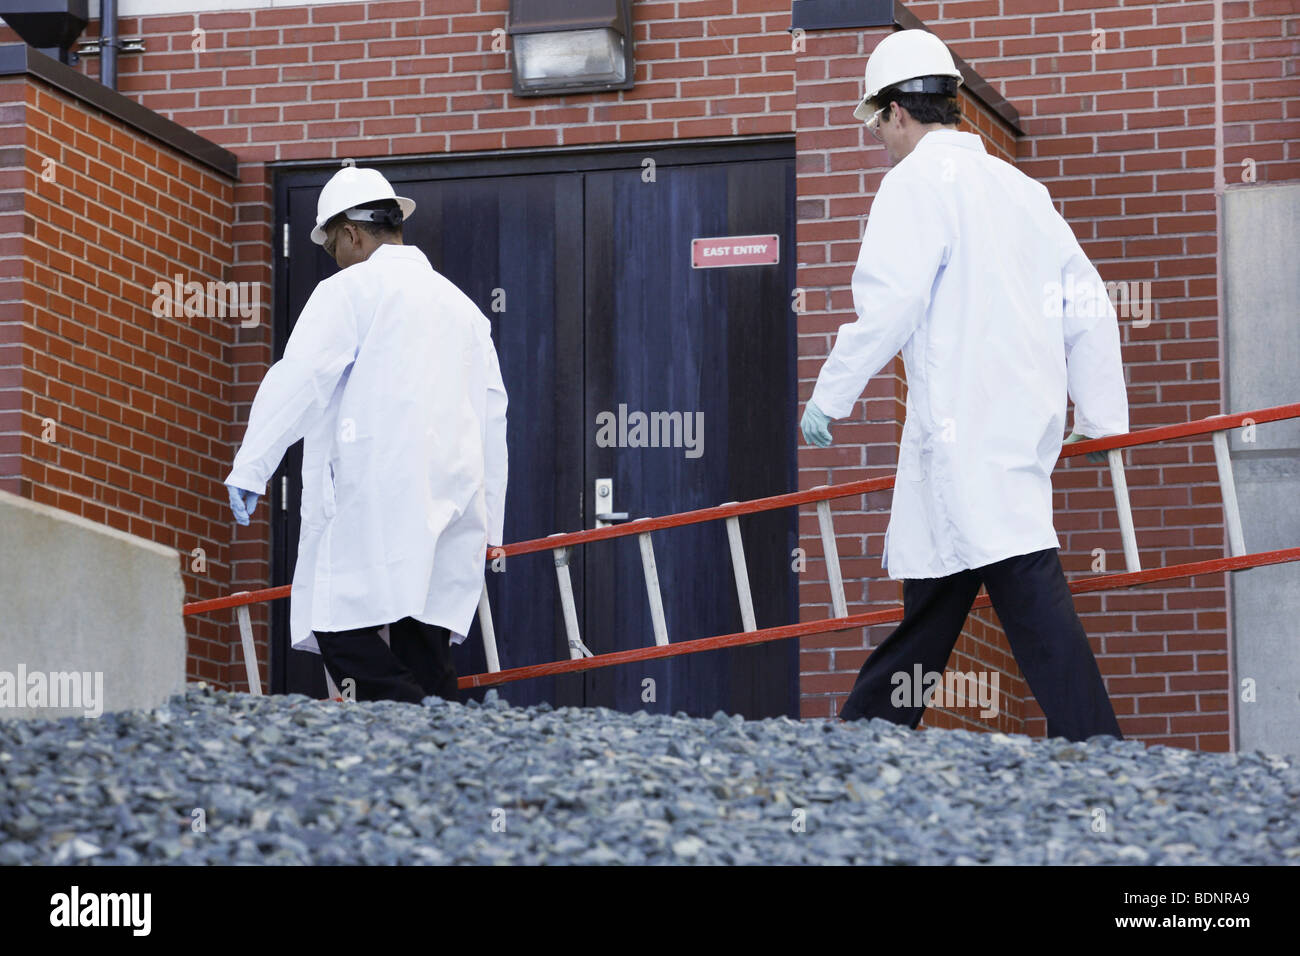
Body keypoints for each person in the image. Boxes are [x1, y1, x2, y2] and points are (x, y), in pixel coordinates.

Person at [801, 30, 1126, 742]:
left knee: (1017, 599)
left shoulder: (913, 185)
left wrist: (830, 396)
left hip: (957, 439)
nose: (880, 140)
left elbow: (888, 305)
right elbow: (1088, 303)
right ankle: (863, 738)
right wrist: (1101, 417)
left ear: (896, 112)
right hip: (1014, 437)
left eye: (877, 124)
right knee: (943, 601)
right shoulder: (1023, 190)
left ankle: (1100, 749)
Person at [224, 166, 508, 704]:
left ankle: (415, 722)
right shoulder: (464, 309)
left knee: (337, 623)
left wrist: (252, 467)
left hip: (370, 494)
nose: (334, 258)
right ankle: (441, 752)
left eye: (332, 246)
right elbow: (493, 416)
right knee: (421, 634)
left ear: (352, 234)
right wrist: (492, 516)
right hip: (451, 498)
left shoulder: (350, 290)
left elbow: (299, 379)